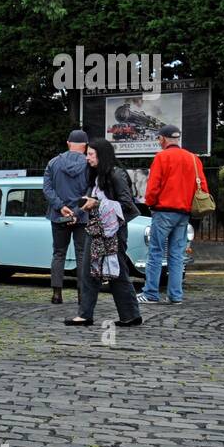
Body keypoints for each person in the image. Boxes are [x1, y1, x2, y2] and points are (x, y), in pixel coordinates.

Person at [65, 139, 141, 328]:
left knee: (116, 272)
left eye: (91, 154)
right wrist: (79, 211)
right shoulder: (97, 176)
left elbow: (128, 206)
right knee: (91, 271)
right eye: (87, 154)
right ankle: (91, 315)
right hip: (97, 229)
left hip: (113, 232)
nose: (87, 158)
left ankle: (128, 315)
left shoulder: (116, 175)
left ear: (102, 155)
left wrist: (97, 204)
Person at [139, 124, 208, 305]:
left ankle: (151, 293)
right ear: (177, 139)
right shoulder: (193, 159)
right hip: (184, 213)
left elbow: (153, 187)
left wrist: (150, 204)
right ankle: (175, 295)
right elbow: (203, 188)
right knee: (177, 255)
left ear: (162, 139)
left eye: (159, 139)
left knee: (155, 252)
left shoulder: (161, 157)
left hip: (163, 211)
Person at [42, 130, 90, 305]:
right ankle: (82, 294)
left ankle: (56, 294)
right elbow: (91, 192)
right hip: (82, 216)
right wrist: (76, 211)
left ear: (68, 143)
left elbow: (47, 189)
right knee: (82, 254)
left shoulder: (53, 163)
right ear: (85, 146)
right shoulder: (89, 164)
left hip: (58, 216)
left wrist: (61, 207)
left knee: (59, 253)